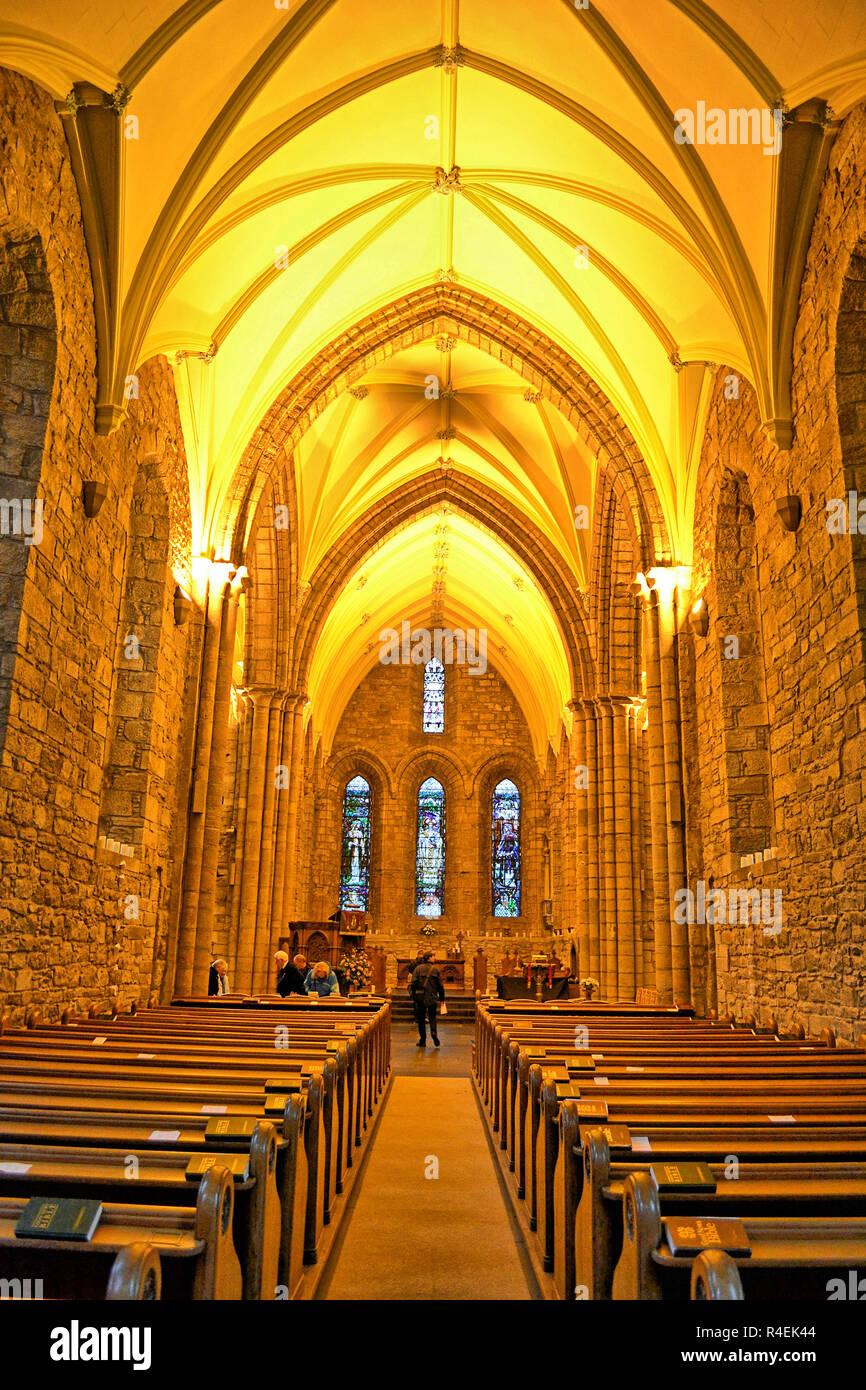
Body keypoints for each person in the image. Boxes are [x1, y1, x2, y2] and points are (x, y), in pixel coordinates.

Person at [409, 951, 445, 1047]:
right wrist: (442, 998)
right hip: (432, 997)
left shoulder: (418, 969)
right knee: (432, 1017)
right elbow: (440, 985)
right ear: (429, 958)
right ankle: (434, 1033)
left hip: (420, 998)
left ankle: (423, 1040)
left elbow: (413, 983)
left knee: (421, 1019)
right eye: (433, 956)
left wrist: (414, 996)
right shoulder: (435, 970)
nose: (435, 958)